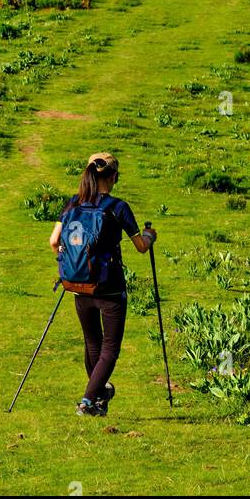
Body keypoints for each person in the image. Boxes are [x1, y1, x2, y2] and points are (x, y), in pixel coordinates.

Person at [49, 152, 156, 417]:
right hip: (109, 287)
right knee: (110, 348)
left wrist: (72, 262)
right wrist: (149, 235)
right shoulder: (118, 207)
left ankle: (98, 397)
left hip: (77, 284)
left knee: (92, 343)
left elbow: (53, 242)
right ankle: (87, 401)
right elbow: (141, 247)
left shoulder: (73, 203)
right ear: (114, 177)